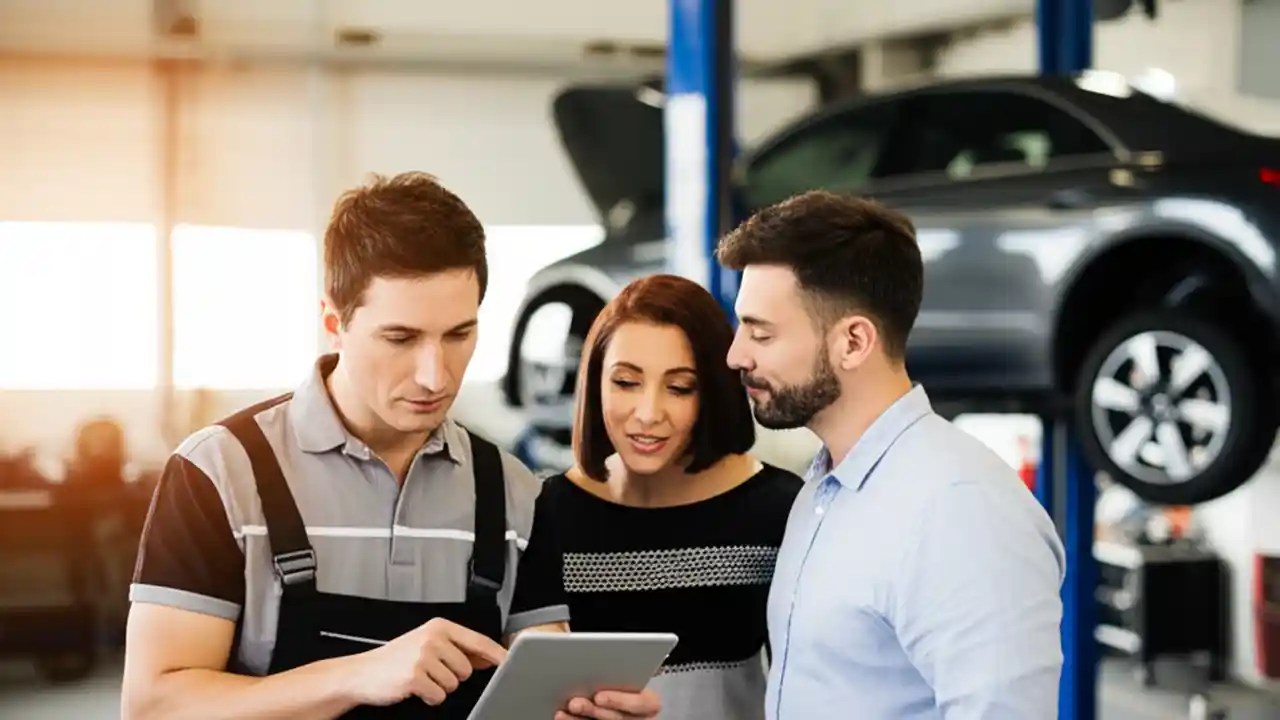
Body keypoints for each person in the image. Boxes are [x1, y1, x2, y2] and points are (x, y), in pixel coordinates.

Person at [120, 172, 660, 720]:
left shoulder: (518, 494)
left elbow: (537, 696)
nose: (434, 376)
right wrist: (358, 674)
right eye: (401, 339)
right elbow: (153, 708)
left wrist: (581, 710)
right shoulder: (218, 473)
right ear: (333, 320)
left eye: (458, 335)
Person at [717, 190, 1067, 719]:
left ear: (854, 342)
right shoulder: (825, 489)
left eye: (760, 332)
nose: (735, 354)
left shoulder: (960, 510)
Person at [510, 274, 803, 720]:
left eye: (680, 387)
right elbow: (526, 697)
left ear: (713, 393)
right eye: (626, 382)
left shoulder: (779, 511)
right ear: (594, 384)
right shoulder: (546, 512)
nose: (648, 414)